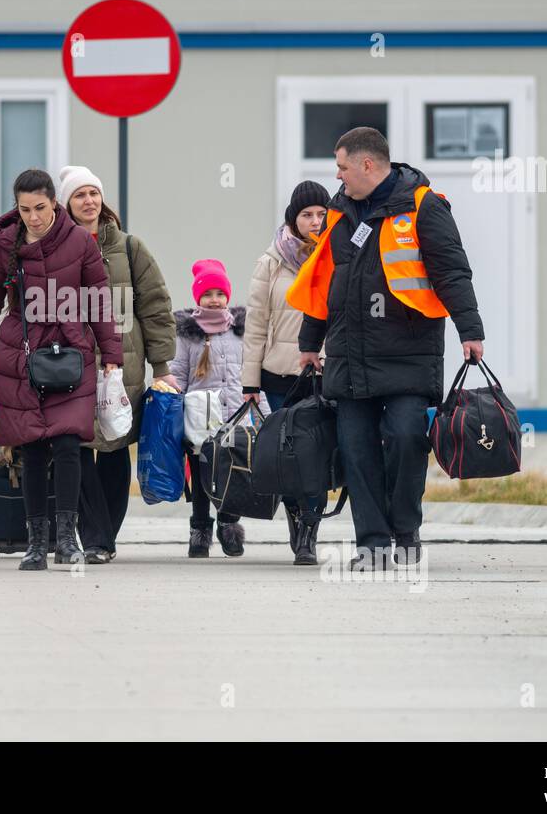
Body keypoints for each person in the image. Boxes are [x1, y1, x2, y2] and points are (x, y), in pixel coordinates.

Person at [289, 127, 484, 569]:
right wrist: (309, 342)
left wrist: (469, 330)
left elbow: (452, 272)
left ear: (367, 165)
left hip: (408, 352)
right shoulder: (340, 213)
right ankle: (373, 543)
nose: (337, 177)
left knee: (404, 439)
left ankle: (405, 528)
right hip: (349, 354)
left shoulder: (423, 207)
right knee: (356, 450)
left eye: (341, 166)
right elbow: (326, 281)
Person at [0, 168, 123, 571]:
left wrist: (111, 353)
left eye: (40, 207)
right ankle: (36, 543)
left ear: (54, 203)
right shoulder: (3, 247)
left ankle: (67, 540)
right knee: (31, 448)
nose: (33, 217)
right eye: (24, 208)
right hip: (20, 351)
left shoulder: (80, 243)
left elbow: (99, 301)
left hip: (71, 350)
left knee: (68, 445)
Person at [61, 165, 175, 564]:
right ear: (66, 204)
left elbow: (156, 306)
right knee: (72, 447)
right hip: (71, 367)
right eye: (79, 195)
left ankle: (104, 535)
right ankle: (95, 535)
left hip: (120, 366)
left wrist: (161, 366)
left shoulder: (129, 248)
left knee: (112, 448)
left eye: (94, 193)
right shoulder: (57, 248)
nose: (89, 201)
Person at [242, 180, 329, 565]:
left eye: (321, 215)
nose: (314, 221)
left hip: (326, 373)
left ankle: (311, 526)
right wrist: (250, 381)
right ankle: (296, 515)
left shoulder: (338, 255)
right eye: (307, 215)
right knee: (290, 455)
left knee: (320, 454)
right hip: (279, 374)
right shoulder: (271, 262)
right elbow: (256, 323)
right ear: (293, 219)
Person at [169, 259, 249, 558]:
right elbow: (178, 372)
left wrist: (261, 411)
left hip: (234, 417)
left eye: (219, 293)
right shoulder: (188, 334)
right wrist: (174, 406)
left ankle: (229, 526)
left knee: (232, 475)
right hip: (199, 419)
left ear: (227, 296)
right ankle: (199, 530)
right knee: (202, 479)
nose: (214, 299)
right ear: (197, 298)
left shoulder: (240, 331)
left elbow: (250, 374)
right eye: (207, 294)